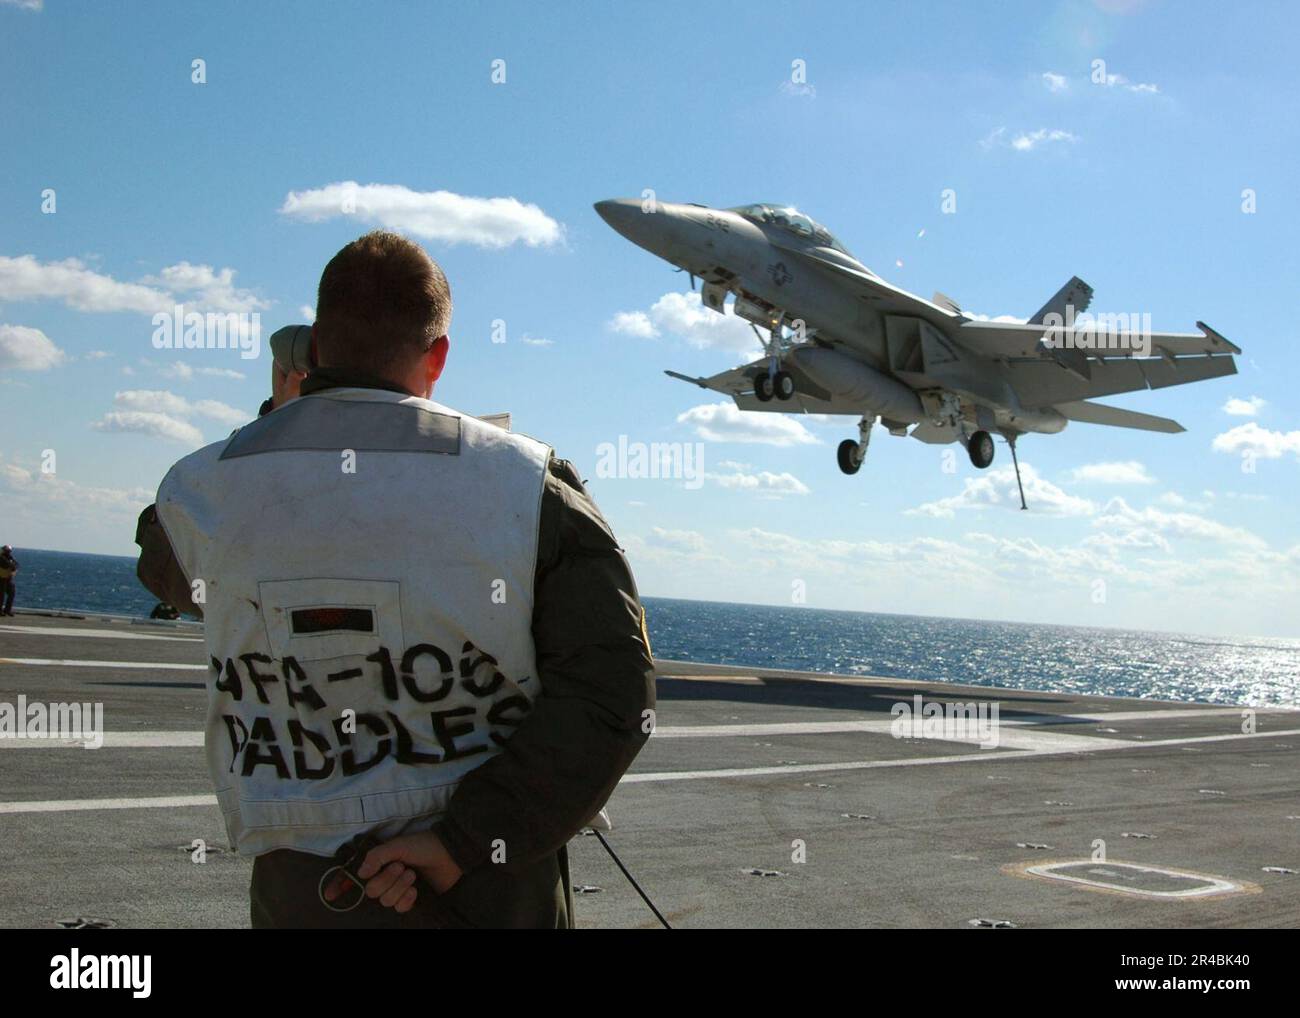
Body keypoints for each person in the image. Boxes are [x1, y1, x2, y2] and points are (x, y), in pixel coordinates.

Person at [136, 231, 655, 928]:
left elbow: (173, 575)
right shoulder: (529, 488)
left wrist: (280, 421)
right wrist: (458, 840)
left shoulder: (201, 490)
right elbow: (613, 696)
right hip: (486, 888)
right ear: (437, 355)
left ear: (314, 347)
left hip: (305, 894)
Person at [0, 545, 17, 615]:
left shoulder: (10, 557)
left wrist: (13, 567)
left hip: (8, 578)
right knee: (1, 595)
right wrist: (12, 565)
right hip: (1, 578)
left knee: (12, 592)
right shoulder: (1, 557)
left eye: (9, 551)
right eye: (7, 551)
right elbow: (7, 564)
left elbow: (16, 565)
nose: (8, 552)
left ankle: (7, 610)